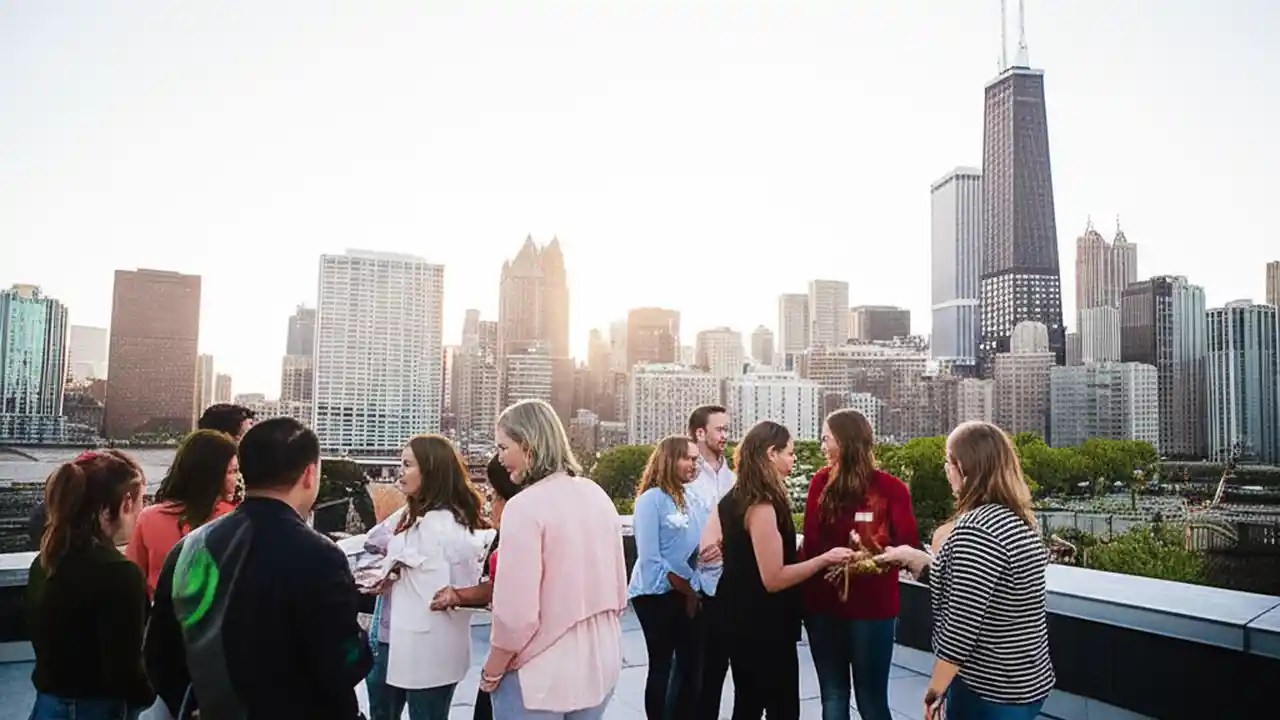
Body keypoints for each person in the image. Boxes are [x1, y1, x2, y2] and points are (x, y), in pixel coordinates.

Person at [144, 417, 373, 719]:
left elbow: (159, 654)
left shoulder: (191, 549)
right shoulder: (320, 556)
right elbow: (344, 663)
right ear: (309, 474)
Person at [876, 422, 1054, 720]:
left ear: (964, 468)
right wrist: (915, 560)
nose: (946, 470)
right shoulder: (1015, 521)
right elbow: (976, 588)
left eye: (948, 461)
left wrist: (935, 691)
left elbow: (961, 628)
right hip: (1025, 685)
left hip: (990, 692)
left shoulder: (976, 531)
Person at [479, 399, 628, 720]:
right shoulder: (597, 495)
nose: (499, 458)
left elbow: (515, 616)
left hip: (540, 673)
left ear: (528, 445)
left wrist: (492, 669)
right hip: (601, 661)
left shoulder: (523, 507)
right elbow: (619, 587)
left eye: (504, 447)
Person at [700, 421, 853, 720]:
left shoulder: (734, 497)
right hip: (762, 625)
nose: (793, 460)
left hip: (739, 617)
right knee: (781, 708)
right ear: (771, 453)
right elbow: (774, 578)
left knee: (748, 703)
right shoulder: (762, 506)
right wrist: (824, 559)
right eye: (790, 453)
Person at [363, 435, 495, 720]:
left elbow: (474, 581)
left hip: (429, 645)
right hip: (386, 635)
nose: (400, 471)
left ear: (431, 471)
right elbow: (370, 545)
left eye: (408, 465)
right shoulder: (405, 516)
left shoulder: (458, 528)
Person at [801, 410, 919, 720]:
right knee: (871, 700)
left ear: (844, 441)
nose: (822, 445)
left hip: (830, 606)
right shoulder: (892, 488)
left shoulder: (822, 484)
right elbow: (908, 547)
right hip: (870, 609)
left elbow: (811, 547)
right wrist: (878, 555)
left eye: (826, 438)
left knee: (834, 695)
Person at [27, 449, 154, 720]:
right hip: (98, 709)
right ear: (126, 503)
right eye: (142, 500)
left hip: (48, 705)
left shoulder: (46, 561)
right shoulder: (120, 574)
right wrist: (153, 697)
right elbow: (124, 669)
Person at [429, 455, 524, 720]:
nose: (490, 502)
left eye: (495, 495)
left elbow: (514, 607)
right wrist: (457, 595)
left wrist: (494, 668)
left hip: (515, 661)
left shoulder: (519, 539)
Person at [629, 436, 704, 720]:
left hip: (686, 590)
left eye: (696, 459)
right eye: (688, 458)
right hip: (654, 593)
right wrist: (687, 590)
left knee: (690, 663)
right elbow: (650, 557)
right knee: (663, 663)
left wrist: (693, 589)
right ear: (669, 460)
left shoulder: (692, 498)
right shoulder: (651, 500)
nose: (694, 465)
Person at [125, 429, 239, 596]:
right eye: (231, 471)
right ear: (211, 475)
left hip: (161, 615)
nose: (236, 478)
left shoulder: (149, 517)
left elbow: (134, 580)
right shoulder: (235, 521)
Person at [683, 405, 735, 720]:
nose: (725, 436)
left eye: (727, 429)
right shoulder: (686, 476)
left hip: (724, 588)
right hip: (690, 585)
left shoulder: (733, 478)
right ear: (700, 433)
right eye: (719, 429)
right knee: (689, 671)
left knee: (716, 668)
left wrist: (726, 545)